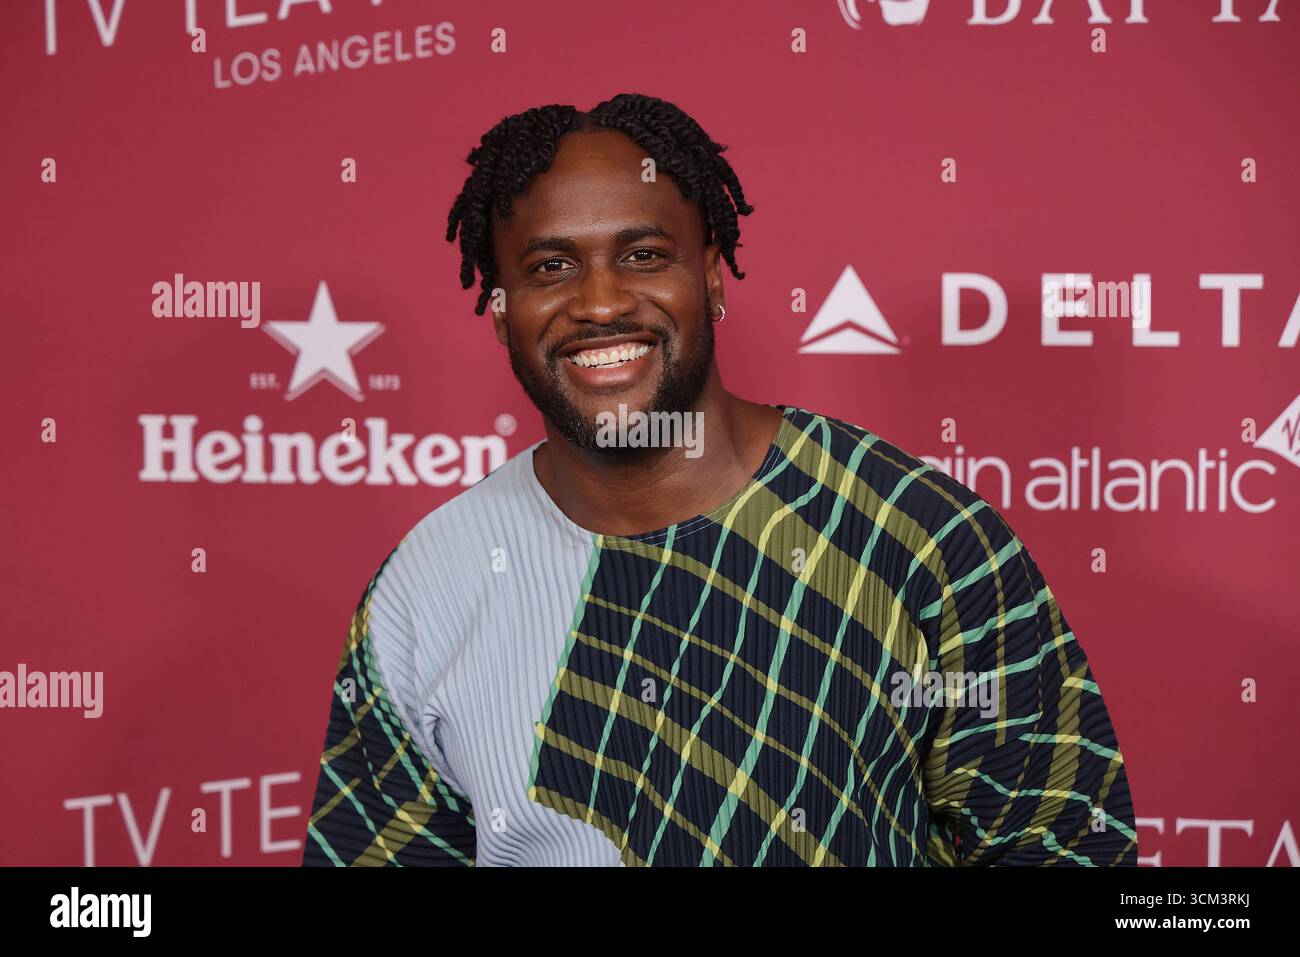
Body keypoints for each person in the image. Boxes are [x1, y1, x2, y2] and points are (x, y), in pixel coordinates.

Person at [301, 92, 1137, 867]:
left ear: (709, 274)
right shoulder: (428, 584)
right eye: (551, 267)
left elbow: (1062, 841)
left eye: (643, 253)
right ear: (499, 306)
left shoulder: (914, 533)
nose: (599, 303)